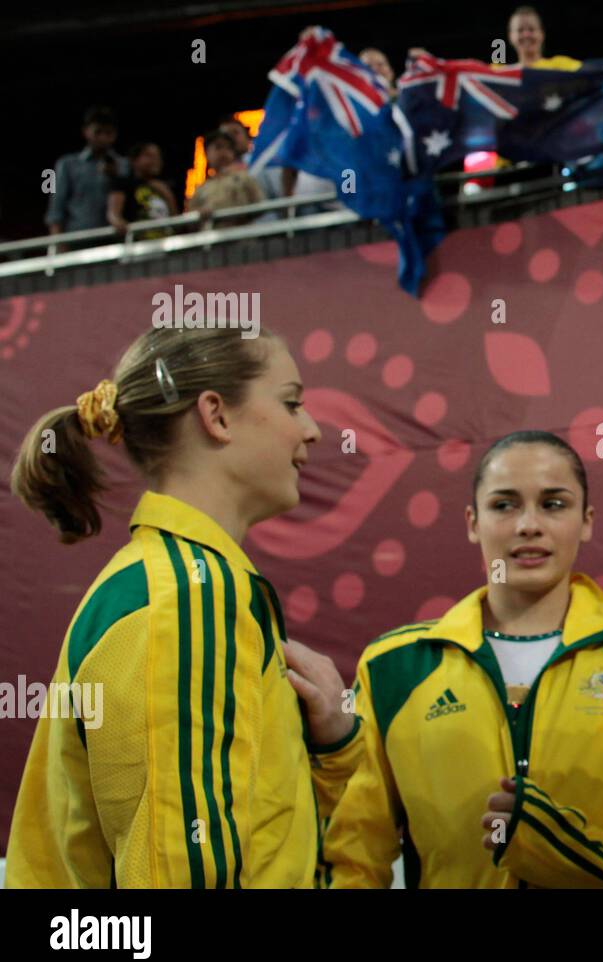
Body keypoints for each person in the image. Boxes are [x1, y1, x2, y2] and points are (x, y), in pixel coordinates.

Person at [5, 325, 362, 887]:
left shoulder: (192, 586)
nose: (312, 430)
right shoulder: (187, 599)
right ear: (216, 415)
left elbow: (261, 837)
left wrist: (330, 749)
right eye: (291, 402)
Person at [323, 431, 603, 887]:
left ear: (587, 521)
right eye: (504, 505)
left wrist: (570, 848)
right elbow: (354, 854)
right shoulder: (393, 668)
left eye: (554, 504)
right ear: (472, 522)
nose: (528, 525)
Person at [45, 106, 128, 240]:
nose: (102, 138)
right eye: (98, 132)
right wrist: (58, 243)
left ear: (115, 134)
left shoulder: (124, 165)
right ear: (86, 131)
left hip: (115, 239)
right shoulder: (66, 165)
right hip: (77, 238)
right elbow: (56, 208)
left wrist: (116, 176)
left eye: (108, 133)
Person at [187, 129, 264, 226]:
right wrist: (200, 212)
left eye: (228, 148)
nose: (224, 152)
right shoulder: (201, 188)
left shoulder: (244, 177)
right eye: (218, 147)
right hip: (212, 236)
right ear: (207, 154)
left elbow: (259, 204)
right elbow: (189, 218)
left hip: (243, 235)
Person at [107, 142, 177, 238]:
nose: (155, 160)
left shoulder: (165, 185)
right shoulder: (124, 184)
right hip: (137, 245)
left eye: (158, 156)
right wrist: (119, 223)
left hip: (164, 242)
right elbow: (113, 214)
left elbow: (175, 220)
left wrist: (167, 194)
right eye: (149, 156)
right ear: (134, 160)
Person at [505, 5, 581, 69]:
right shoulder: (502, 74)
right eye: (520, 30)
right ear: (510, 36)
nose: (526, 34)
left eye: (531, 29)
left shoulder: (562, 67)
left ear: (542, 34)